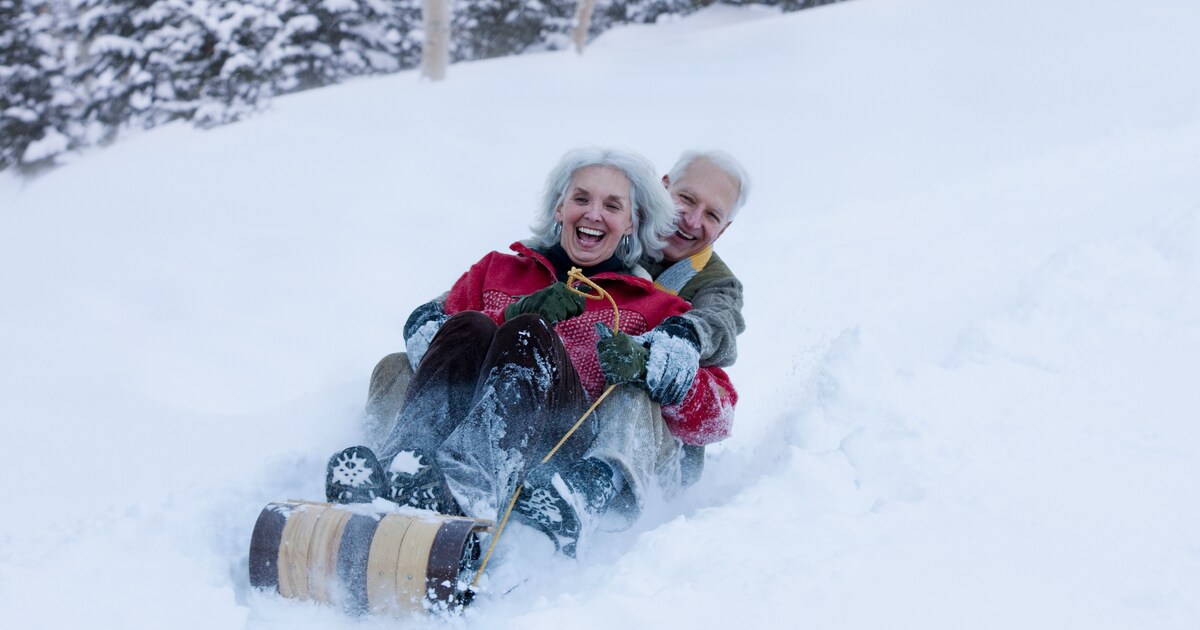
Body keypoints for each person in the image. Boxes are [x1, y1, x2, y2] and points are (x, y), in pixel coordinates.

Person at [327, 147, 739, 557]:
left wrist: (651, 364)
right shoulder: (497, 270)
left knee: (529, 334)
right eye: (581, 199)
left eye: (612, 206)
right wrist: (507, 312)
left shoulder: (654, 307)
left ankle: (472, 490)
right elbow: (425, 332)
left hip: (558, 448)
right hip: (457, 421)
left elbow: (718, 416)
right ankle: (399, 467)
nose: (593, 214)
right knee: (462, 329)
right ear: (559, 208)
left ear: (633, 222)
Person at [640, 149, 751, 484]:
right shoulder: (613, 237)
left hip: (658, 445)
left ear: (724, 229)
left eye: (712, 215)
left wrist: (687, 333)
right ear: (662, 187)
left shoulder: (717, 282)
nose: (691, 220)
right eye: (686, 198)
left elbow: (722, 321)